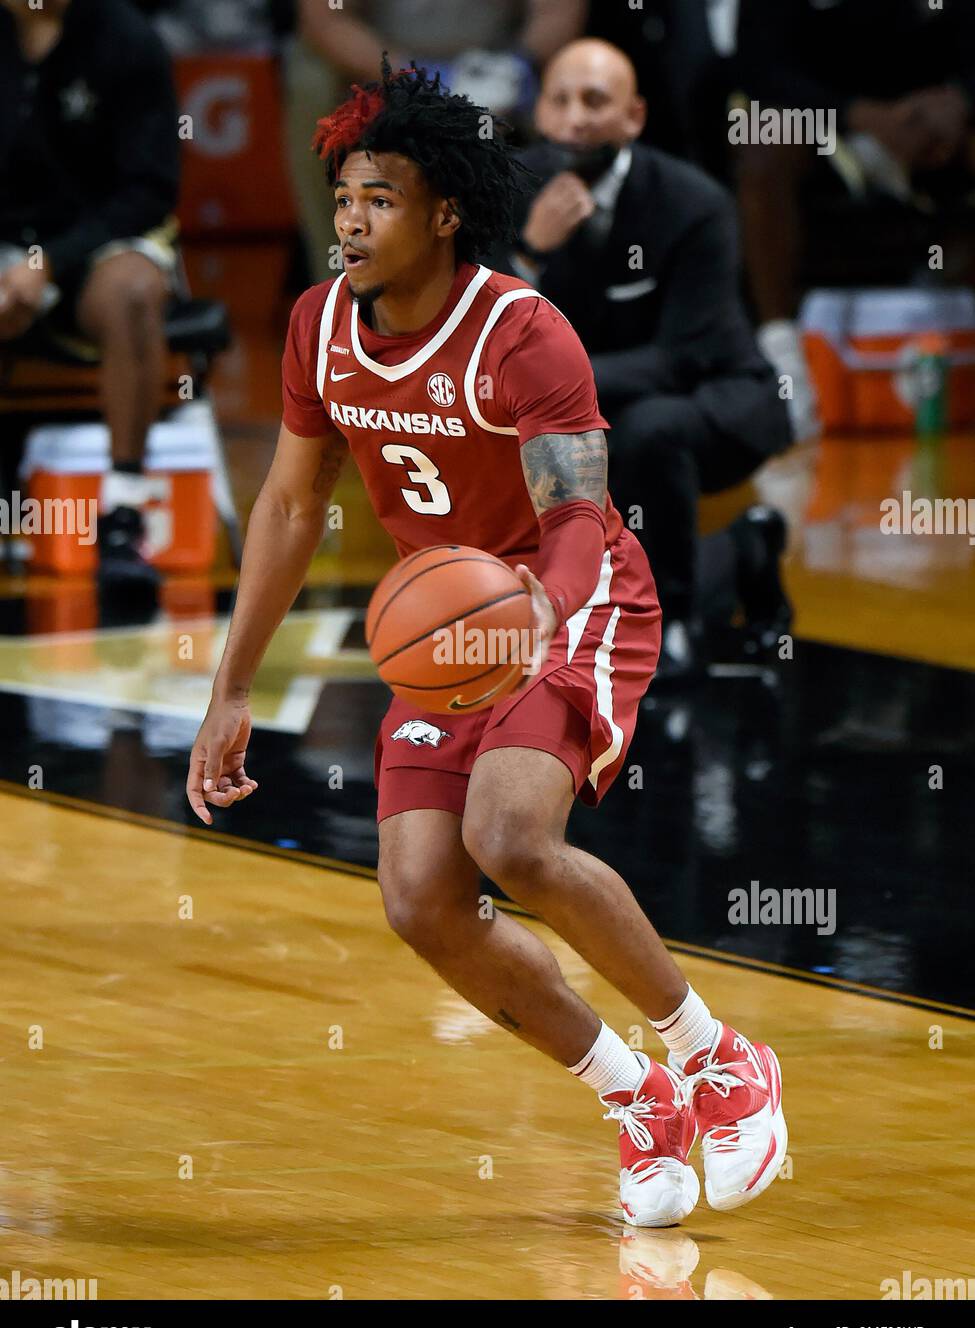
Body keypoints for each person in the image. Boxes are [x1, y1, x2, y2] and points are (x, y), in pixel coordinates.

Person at [186, 60, 787, 1227]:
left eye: (383, 200)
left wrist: (540, 619)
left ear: (444, 214)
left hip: (580, 600)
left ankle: (716, 1053)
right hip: (453, 628)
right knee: (417, 897)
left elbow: (576, 518)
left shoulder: (524, 333)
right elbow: (292, 508)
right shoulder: (318, 330)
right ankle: (637, 1099)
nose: (351, 222)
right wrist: (233, 683)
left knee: (508, 833)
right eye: (345, 197)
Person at [495, 39, 794, 682]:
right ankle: (743, 549)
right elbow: (484, 332)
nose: (574, 117)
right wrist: (529, 254)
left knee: (647, 432)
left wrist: (554, 391)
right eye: (560, 100)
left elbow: (686, 353)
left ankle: (677, 620)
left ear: (634, 116)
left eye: (595, 101)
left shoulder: (694, 203)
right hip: (598, 407)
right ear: (539, 112)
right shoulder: (510, 196)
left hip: (716, 397)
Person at [0, 0, 180, 585]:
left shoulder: (127, 38)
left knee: (131, 292)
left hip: (97, 244)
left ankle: (124, 509)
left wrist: (48, 263)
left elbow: (150, 189)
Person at [736, 0, 975, 440]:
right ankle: (781, 352)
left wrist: (962, 98)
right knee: (760, 139)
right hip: (829, 126)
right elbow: (758, 66)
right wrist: (858, 114)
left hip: (937, 125)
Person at [285, 0, 587, 284]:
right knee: (310, 81)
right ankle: (339, 285)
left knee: (583, 71)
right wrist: (413, 73)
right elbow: (325, 18)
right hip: (380, 65)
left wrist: (518, 64)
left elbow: (558, 11)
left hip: (501, 61)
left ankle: (551, 286)